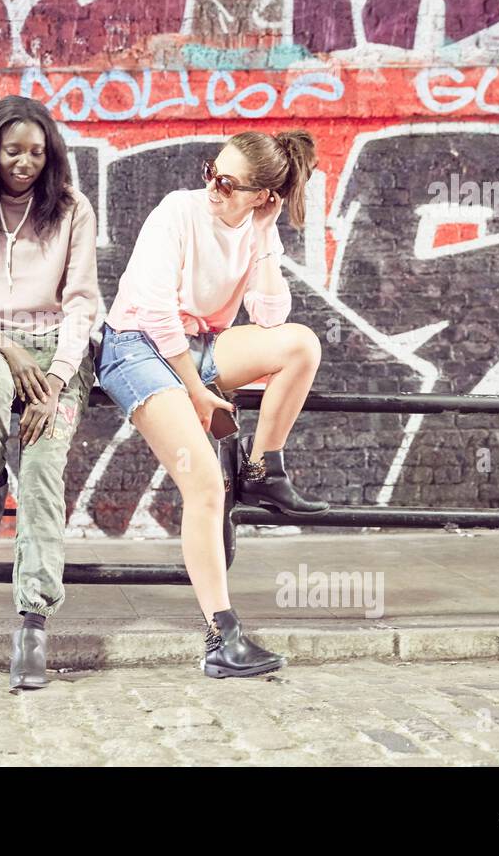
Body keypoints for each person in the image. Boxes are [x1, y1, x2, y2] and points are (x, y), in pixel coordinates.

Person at [96, 130, 328, 678]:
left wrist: (264, 235)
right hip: (136, 347)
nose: (212, 188)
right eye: (211, 173)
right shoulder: (177, 212)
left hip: (201, 345)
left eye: (227, 183)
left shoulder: (255, 228)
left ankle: (262, 469)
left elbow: (270, 316)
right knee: (203, 481)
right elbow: (155, 314)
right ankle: (222, 639)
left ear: (261, 196)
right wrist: (195, 390)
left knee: (301, 345)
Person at [0, 96, 100, 690]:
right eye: (12, 151)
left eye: (36, 152)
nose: (25, 163)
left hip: (58, 349)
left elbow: (81, 302)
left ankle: (33, 623)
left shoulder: (72, 209)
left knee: (42, 469)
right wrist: (5, 347)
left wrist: (56, 378)